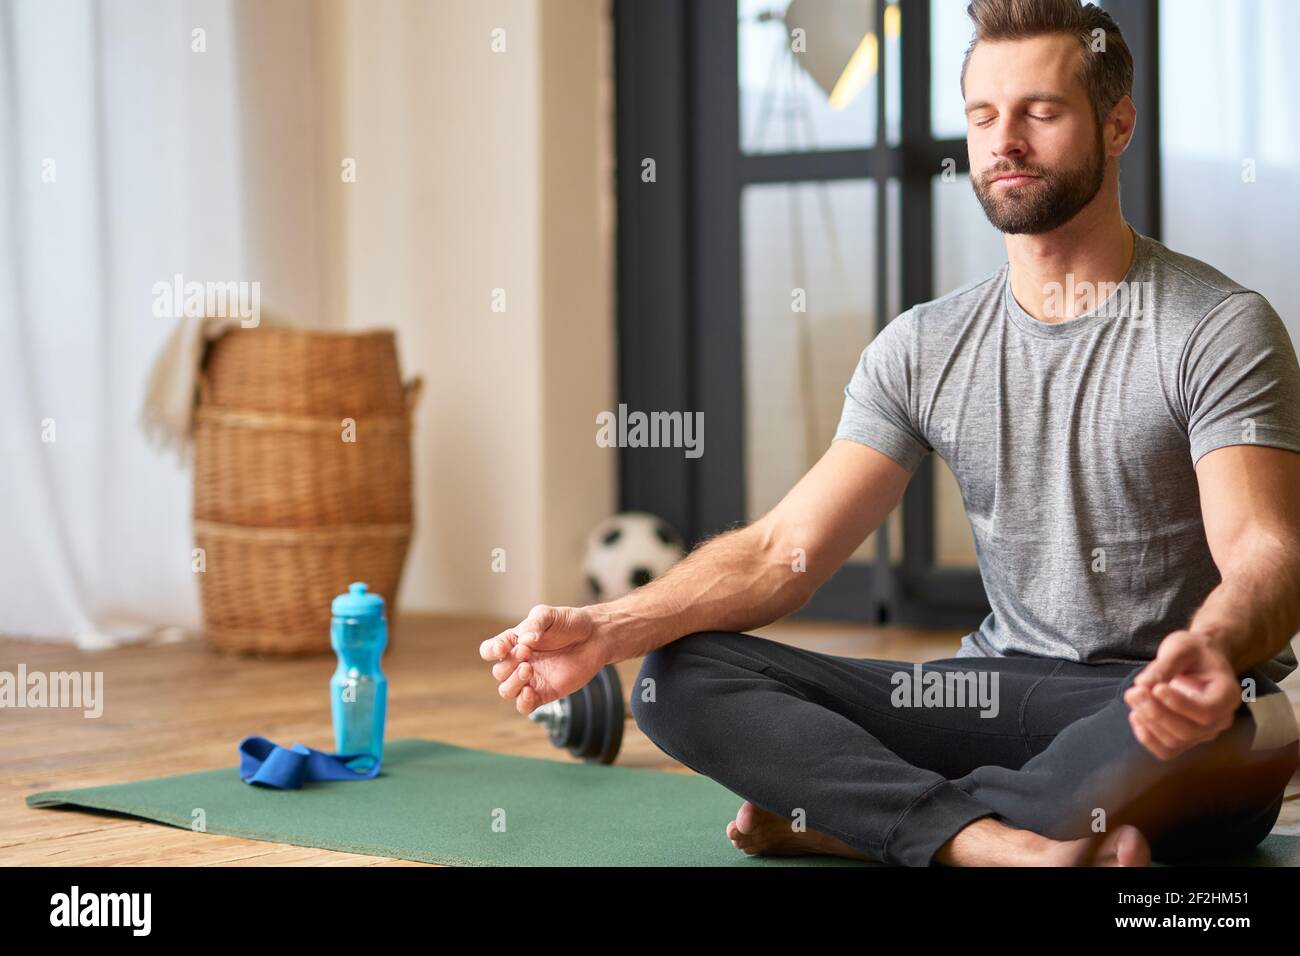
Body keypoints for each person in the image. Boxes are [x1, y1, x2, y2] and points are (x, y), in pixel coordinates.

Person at [479, 0, 1300, 866]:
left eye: (1042, 112)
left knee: (1219, 743)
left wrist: (1208, 646)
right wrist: (609, 629)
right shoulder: (924, 346)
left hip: (1153, 701)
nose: (1005, 142)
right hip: (987, 692)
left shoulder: (1215, 326)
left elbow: (1268, 554)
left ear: (1118, 123)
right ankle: (997, 846)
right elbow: (779, 553)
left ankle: (856, 820)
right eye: (984, 116)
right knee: (679, 676)